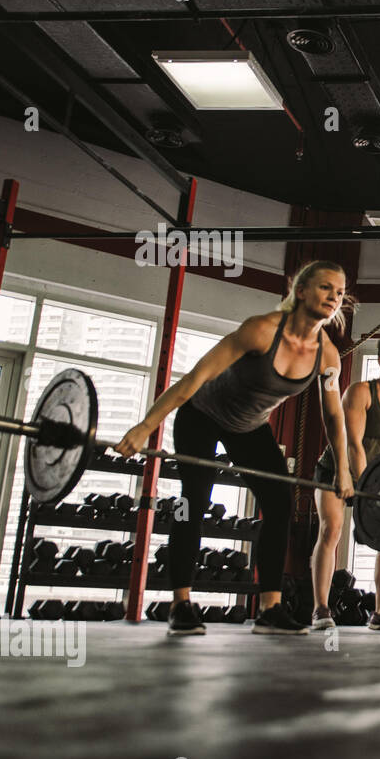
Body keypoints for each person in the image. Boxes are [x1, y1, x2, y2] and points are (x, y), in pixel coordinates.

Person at [116, 260, 355, 637]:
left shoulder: (327, 356)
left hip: (250, 428)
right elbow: (195, 378)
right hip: (202, 415)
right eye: (326, 287)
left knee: (279, 503)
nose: (334, 297)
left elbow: (333, 417)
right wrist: (146, 427)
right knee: (193, 500)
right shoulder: (260, 331)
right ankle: (181, 604)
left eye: (340, 293)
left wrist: (343, 469)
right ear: (302, 289)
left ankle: (270, 611)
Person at [310, 335, 380, 631]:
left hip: (374, 476)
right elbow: (353, 444)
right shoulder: (359, 392)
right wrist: (363, 487)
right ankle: (321, 608)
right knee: (331, 530)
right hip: (336, 468)